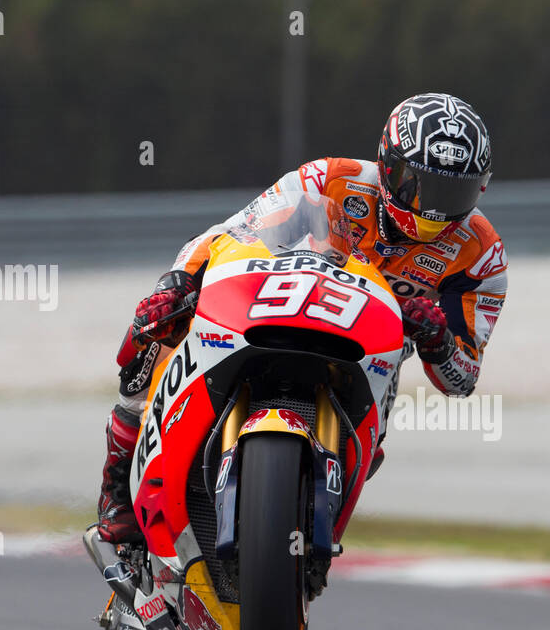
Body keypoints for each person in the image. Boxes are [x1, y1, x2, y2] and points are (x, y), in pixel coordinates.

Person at [97, 92, 508, 543]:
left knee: (369, 458)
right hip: (280, 305)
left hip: (370, 355)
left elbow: (463, 377)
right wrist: (176, 282)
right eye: (422, 184)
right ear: (389, 166)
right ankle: (116, 486)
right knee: (156, 329)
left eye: (454, 192)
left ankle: (304, 528)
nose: (433, 209)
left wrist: (438, 341)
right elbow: (230, 233)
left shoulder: (481, 255)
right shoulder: (330, 179)